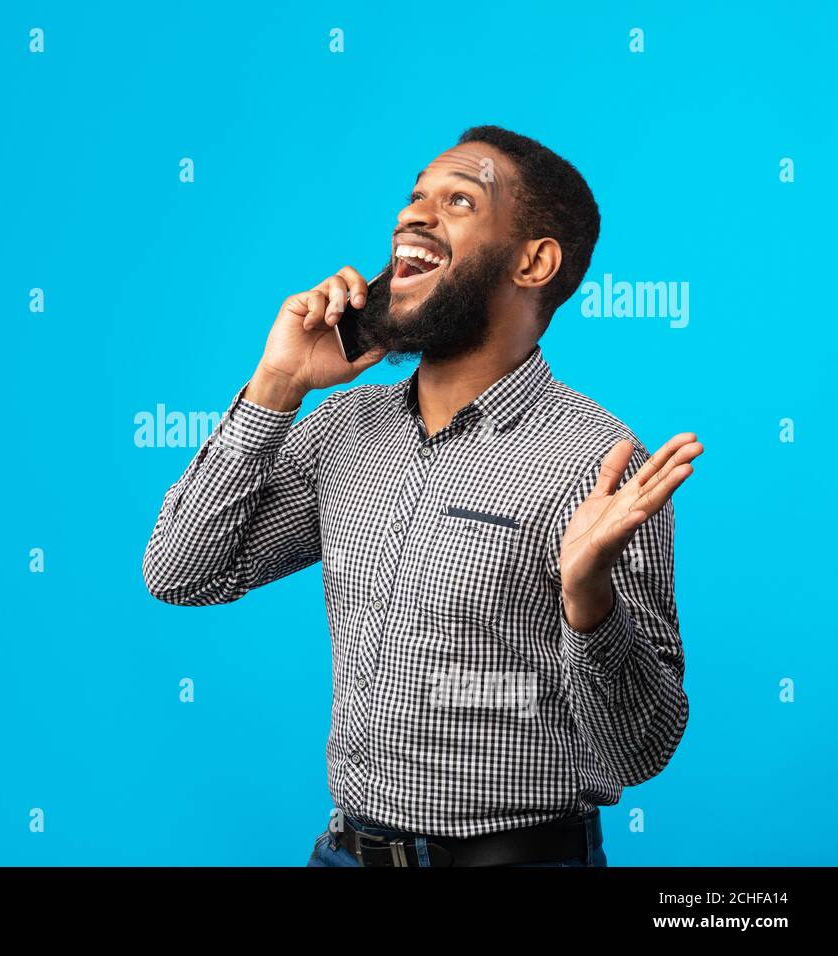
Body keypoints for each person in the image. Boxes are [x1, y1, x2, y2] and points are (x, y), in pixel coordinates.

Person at [142, 126, 703, 867]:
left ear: (533, 261)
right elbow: (182, 575)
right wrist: (277, 386)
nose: (413, 216)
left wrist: (589, 601)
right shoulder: (343, 429)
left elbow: (641, 750)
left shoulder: (597, 464)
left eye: (459, 200)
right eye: (414, 199)